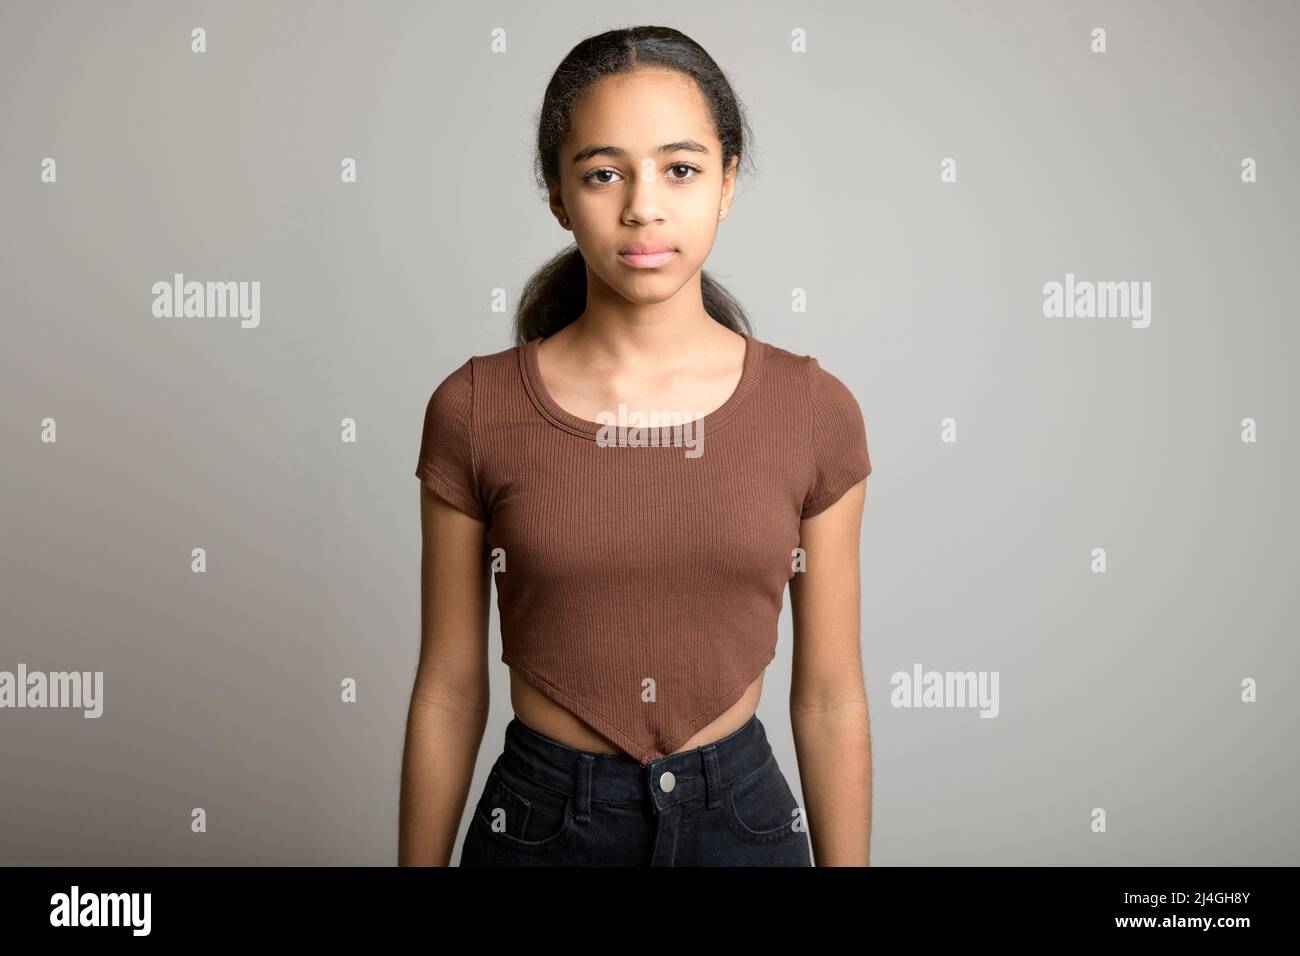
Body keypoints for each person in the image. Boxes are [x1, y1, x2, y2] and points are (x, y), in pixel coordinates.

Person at [399, 25, 873, 867]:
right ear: (557, 195)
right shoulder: (473, 408)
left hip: (746, 827)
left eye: (681, 169)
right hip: (540, 827)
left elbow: (832, 696)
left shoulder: (814, 410)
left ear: (727, 183)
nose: (643, 205)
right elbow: (448, 690)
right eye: (603, 172)